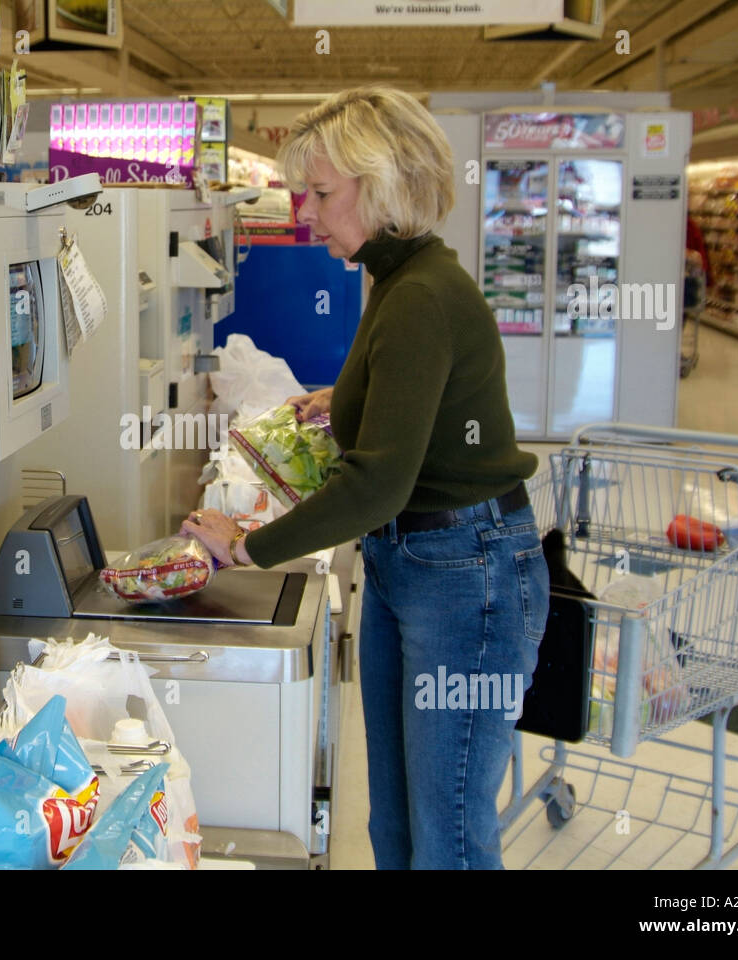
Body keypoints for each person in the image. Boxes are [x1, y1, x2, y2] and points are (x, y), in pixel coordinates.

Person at [180, 86, 549, 870]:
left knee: (445, 834)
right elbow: (405, 400)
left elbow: (378, 482)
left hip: (464, 577)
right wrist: (340, 400)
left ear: (381, 187)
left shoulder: (419, 295)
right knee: (398, 825)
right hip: (412, 564)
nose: (306, 213)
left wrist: (251, 546)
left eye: (320, 193)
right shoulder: (398, 279)